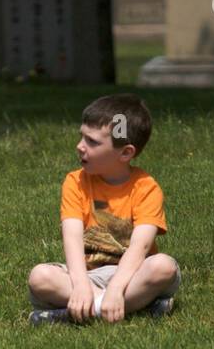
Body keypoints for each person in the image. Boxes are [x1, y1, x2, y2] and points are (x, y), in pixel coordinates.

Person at [27, 93, 180, 326]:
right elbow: (72, 238)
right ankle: (137, 307)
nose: (80, 147)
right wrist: (80, 285)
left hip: (134, 275)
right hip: (89, 276)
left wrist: (117, 288)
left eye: (93, 142)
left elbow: (141, 247)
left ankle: (75, 314)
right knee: (40, 277)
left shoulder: (146, 188)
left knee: (163, 267)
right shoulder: (75, 181)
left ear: (125, 153)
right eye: (82, 137)